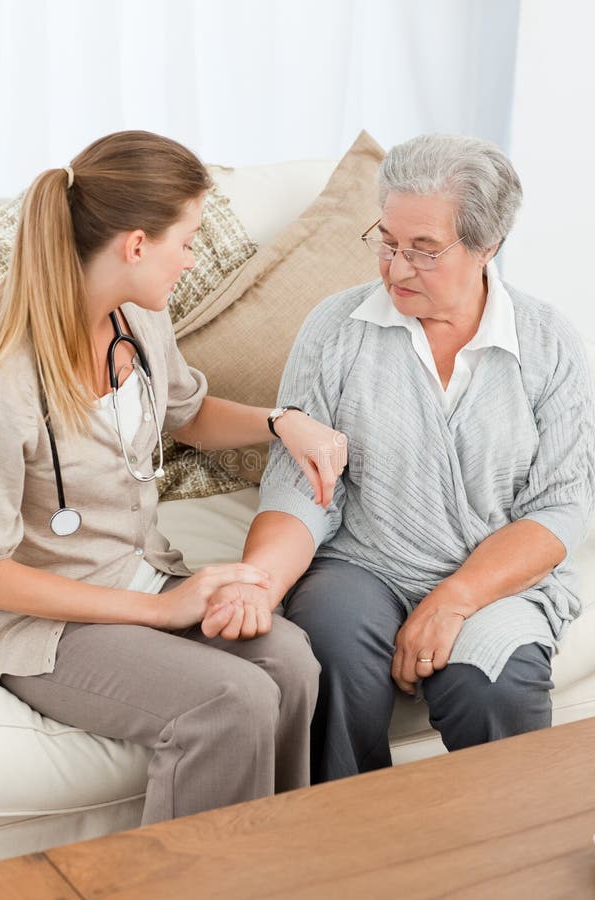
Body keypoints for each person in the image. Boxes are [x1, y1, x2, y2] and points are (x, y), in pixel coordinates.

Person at [200, 133, 595, 783]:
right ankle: (343, 850)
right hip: (362, 564)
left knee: (492, 687)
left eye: (424, 250)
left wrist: (456, 598)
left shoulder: (548, 343)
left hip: (493, 577)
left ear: (487, 245)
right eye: (386, 241)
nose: (396, 268)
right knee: (325, 644)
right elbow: (302, 485)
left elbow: (560, 506)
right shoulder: (334, 329)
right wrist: (261, 580)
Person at [0, 130, 350, 821]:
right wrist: (160, 610)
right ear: (135, 244)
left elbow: (185, 412)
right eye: (185, 242)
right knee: (231, 700)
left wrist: (283, 421)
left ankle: (274, 869)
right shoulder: (8, 377)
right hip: (48, 622)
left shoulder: (135, 318)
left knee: (295, 663)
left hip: (145, 571)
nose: (190, 261)